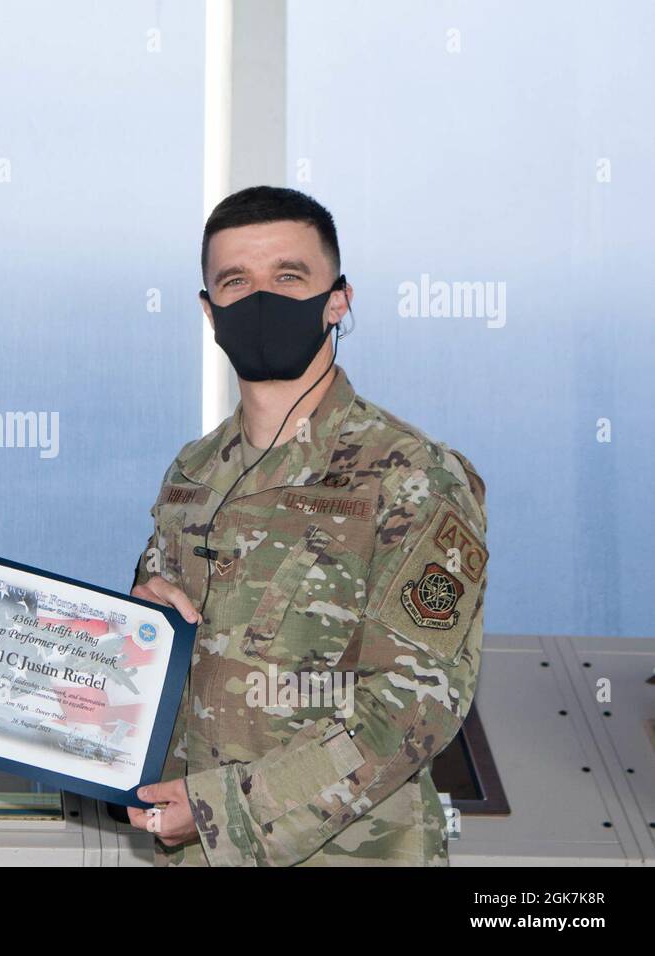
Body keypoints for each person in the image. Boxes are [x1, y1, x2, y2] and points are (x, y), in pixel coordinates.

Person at [126, 186, 487, 866]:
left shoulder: (410, 475)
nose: (261, 299)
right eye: (236, 282)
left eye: (288, 277)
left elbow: (416, 707)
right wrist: (141, 612)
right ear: (210, 311)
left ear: (338, 300)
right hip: (194, 848)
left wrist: (226, 813)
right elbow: (164, 636)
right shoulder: (194, 471)